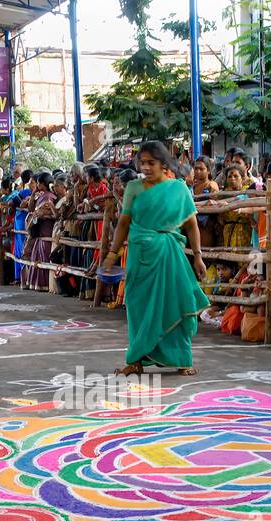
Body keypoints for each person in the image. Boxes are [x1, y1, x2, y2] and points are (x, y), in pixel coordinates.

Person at [100, 141, 208, 377]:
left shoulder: (178, 189)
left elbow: (191, 225)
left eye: (152, 162)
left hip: (170, 255)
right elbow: (123, 223)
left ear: (163, 163)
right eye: (143, 162)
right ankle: (136, 360)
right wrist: (111, 255)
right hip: (140, 255)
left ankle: (181, 359)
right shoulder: (134, 188)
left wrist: (198, 257)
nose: (146, 167)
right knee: (137, 306)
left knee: (174, 302)